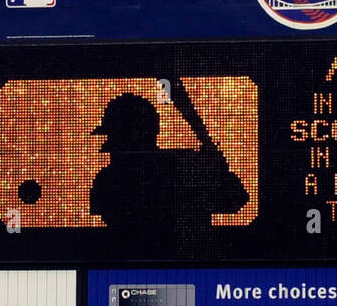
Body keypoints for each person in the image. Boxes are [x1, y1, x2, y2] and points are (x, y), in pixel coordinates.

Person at [89, 89, 247, 253]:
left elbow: (235, 200)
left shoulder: (108, 179)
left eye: (116, 138)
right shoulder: (186, 165)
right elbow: (235, 200)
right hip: (183, 263)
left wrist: (216, 170)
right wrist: (217, 168)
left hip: (173, 265)